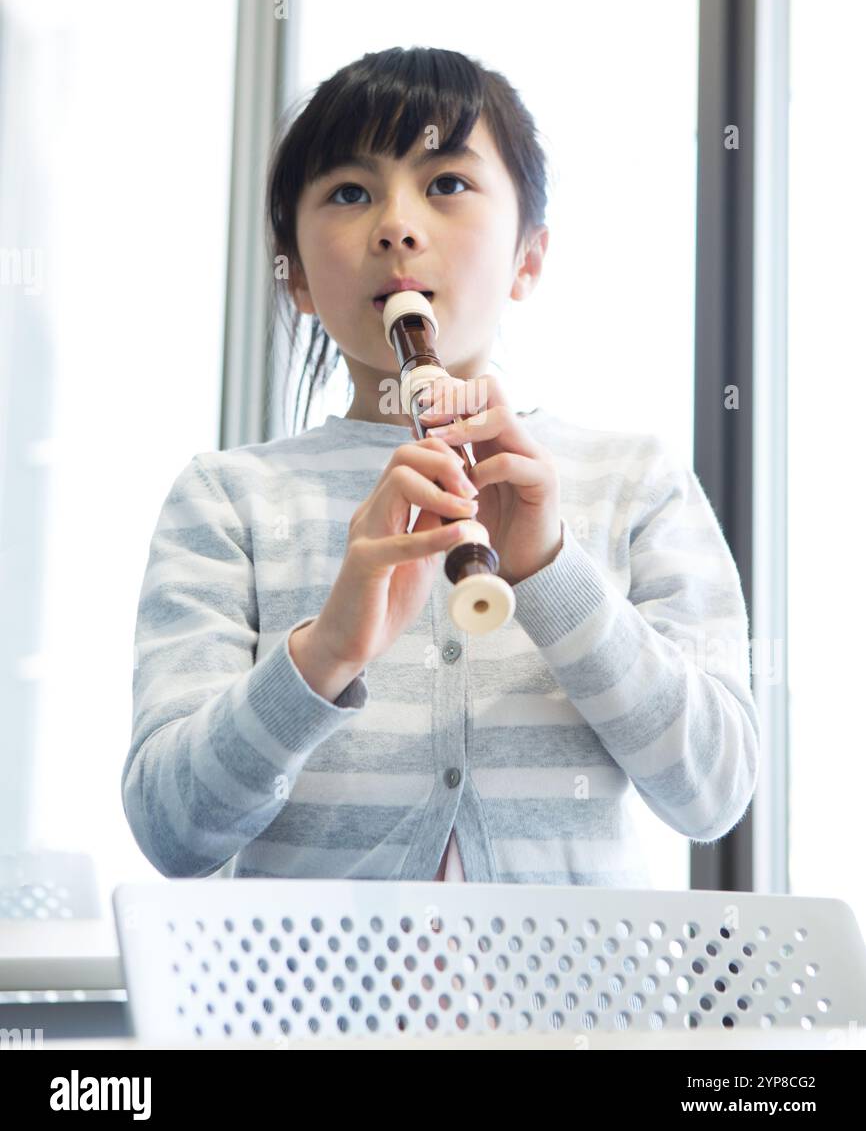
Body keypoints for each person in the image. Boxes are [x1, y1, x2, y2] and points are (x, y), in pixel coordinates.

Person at [121, 45, 759, 885]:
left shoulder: (634, 479)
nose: (396, 225)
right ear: (299, 279)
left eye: (447, 183)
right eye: (349, 193)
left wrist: (548, 570)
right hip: (307, 1013)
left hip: (587, 1013)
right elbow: (175, 831)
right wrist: (325, 655)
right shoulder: (229, 501)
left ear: (528, 256)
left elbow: (712, 793)